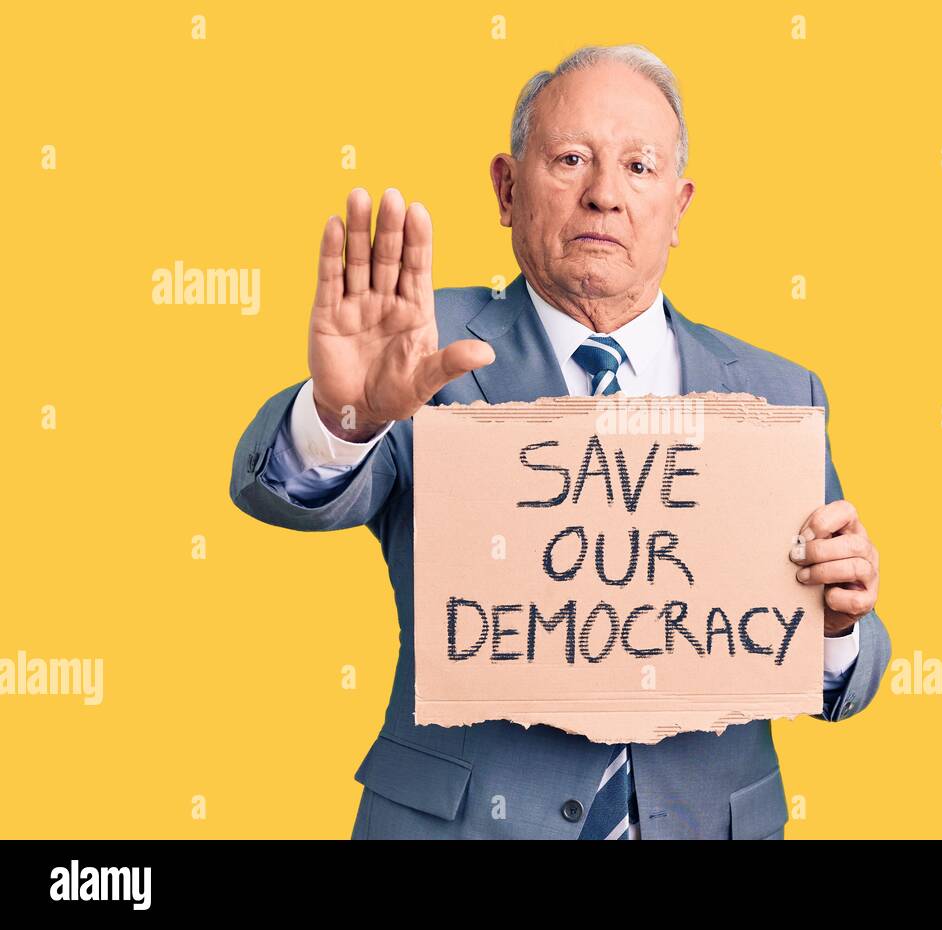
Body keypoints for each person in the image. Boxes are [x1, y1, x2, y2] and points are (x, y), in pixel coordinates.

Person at [229, 44, 889, 839]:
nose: (605, 195)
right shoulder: (418, 350)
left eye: (640, 168)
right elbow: (287, 497)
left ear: (679, 207)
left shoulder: (780, 393)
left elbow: (837, 682)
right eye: (571, 159)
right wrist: (349, 417)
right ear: (507, 189)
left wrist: (835, 630)